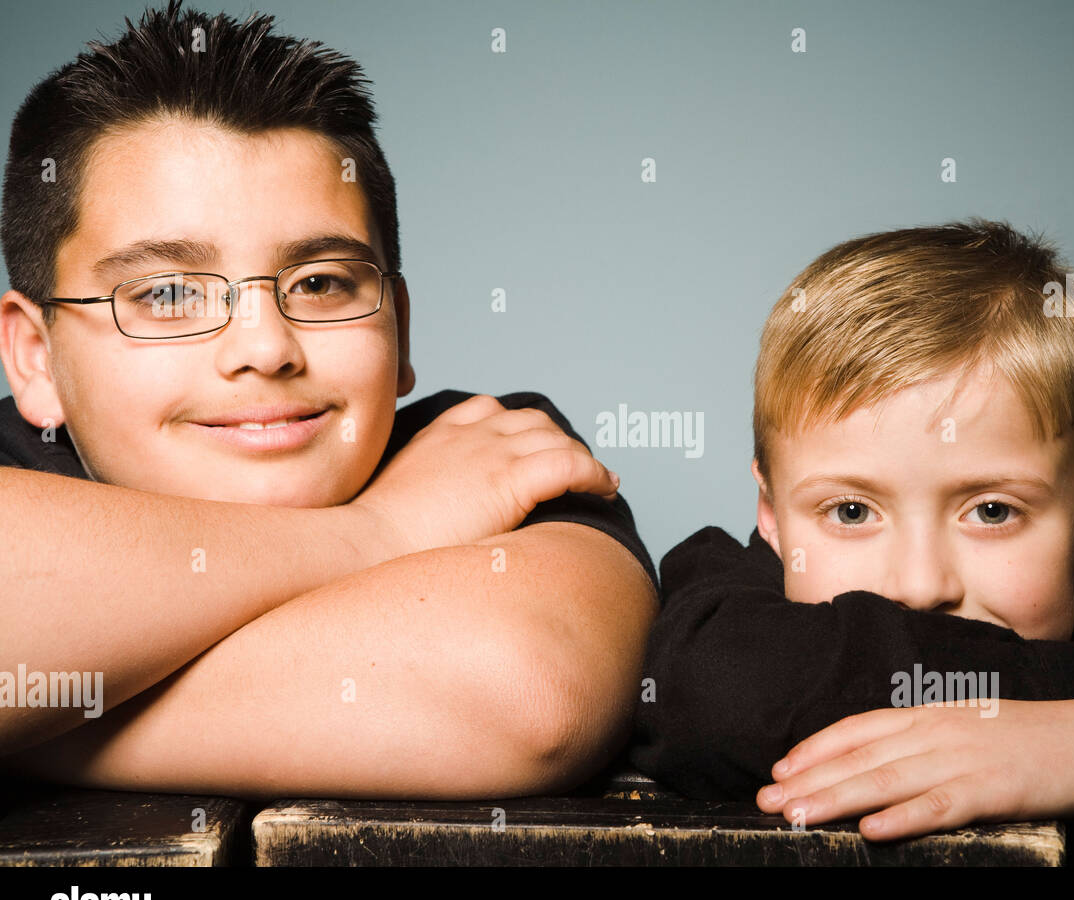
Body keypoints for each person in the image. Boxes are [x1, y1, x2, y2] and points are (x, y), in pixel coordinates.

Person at [0, 2, 658, 799]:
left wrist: (39, 715)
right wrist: (380, 531)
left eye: (319, 283)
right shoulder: (435, 502)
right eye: (168, 292)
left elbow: (523, 694)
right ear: (35, 358)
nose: (265, 347)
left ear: (399, 327)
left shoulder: (490, 452)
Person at [629, 221, 1074, 863]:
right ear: (771, 517)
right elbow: (712, 688)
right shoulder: (725, 607)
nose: (921, 586)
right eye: (853, 511)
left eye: (991, 511)